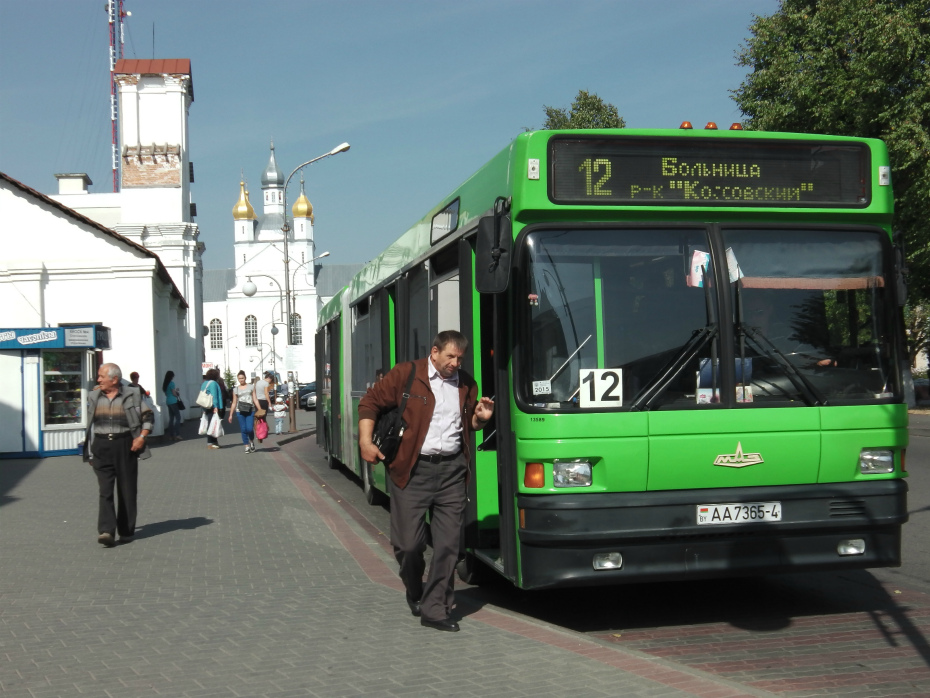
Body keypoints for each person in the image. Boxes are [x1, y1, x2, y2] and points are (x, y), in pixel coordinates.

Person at [358, 330, 494, 632]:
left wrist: (481, 418)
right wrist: (365, 442)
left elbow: (468, 424)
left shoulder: (466, 383)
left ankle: (435, 610)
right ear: (434, 353)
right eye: (450, 357)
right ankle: (414, 588)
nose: (455, 363)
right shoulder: (407, 375)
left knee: (448, 546)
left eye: (460, 358)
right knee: (409, 545)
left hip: (452, 471)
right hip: (411, 470)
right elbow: (369, 404)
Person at [83, 363, 153, 547]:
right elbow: (90, 426)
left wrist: (141, 438)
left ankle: (126, 530)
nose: (98, 380)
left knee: (127, 489)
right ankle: (106, 531)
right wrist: (90, 452)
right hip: (101, 446)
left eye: (101, 376)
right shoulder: (94, 396)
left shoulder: (133, 395)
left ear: (114, 379)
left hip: (125, 445)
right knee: (105, 490)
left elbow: (148, 417)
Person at [228, 370, 258, 453]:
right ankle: (246, 446)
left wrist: (259, 409)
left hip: (250, 410)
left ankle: (251, 441)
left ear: (245, 378)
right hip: (240, 411)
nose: (241, 380)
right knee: (243, 429)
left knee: (249, 429)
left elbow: (255, 399)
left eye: (242, 378)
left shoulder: (251, 387)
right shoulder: (236, 389)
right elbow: (234, 402)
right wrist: (230, 415)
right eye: (239, 378)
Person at [200, 368, 225, 450]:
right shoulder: (213, 383)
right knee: (212, 424)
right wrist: (216, 407)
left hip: (206, 406)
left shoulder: (205, 383)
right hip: (212, 407)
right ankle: (211, 443)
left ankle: (214, 442)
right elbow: (214, 396)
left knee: (212, 424)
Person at [163, 370, 183, 441]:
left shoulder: (165, 384)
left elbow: (166, 394)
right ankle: (177, 434)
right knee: (178, 418)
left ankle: (171, 435)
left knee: (171, 418)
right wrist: (177, 392)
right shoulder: (172, 383)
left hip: (168, 401)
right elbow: (174, 394)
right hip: (173, 401)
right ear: (171, 376)